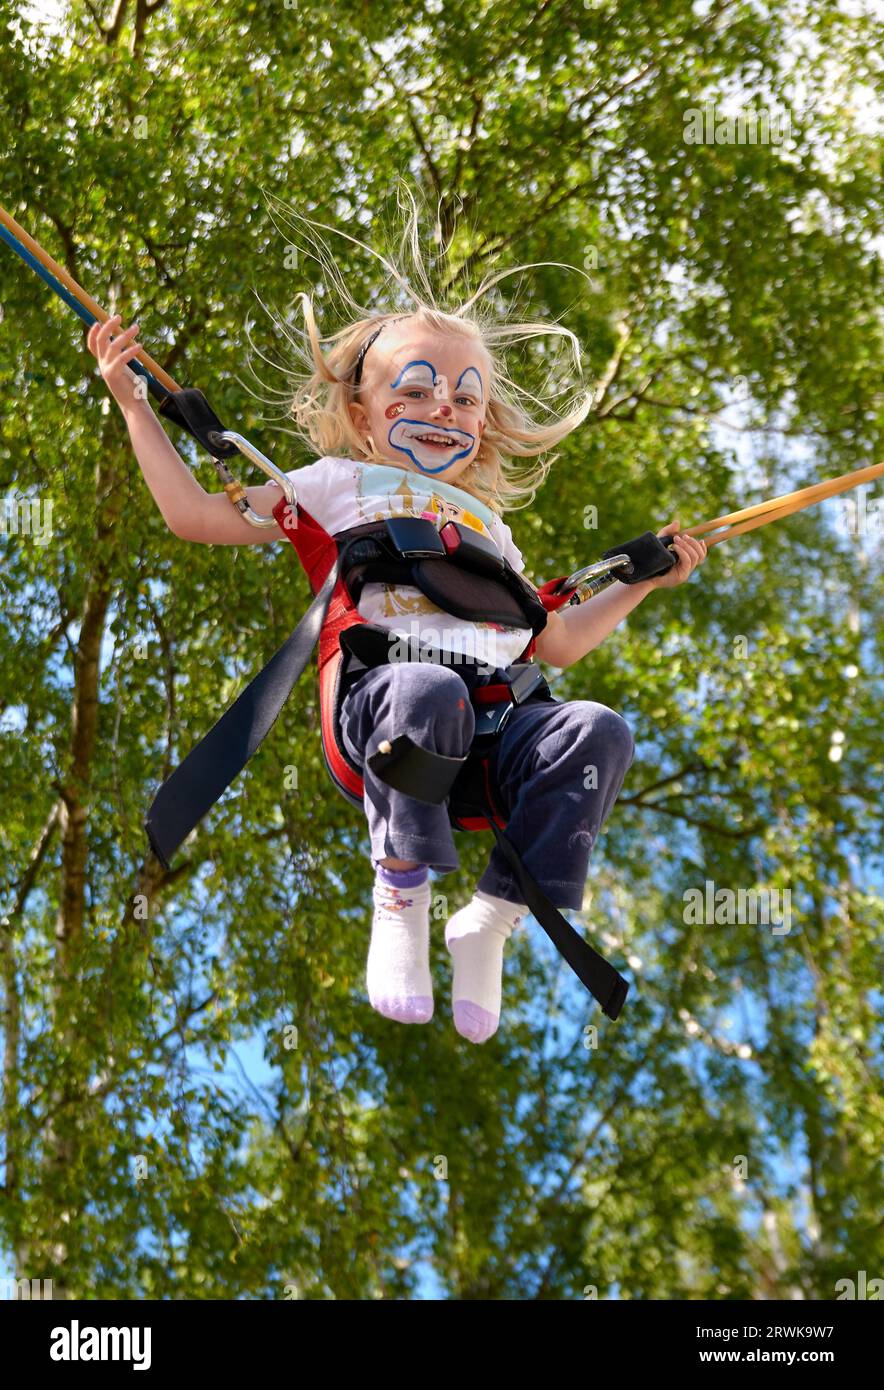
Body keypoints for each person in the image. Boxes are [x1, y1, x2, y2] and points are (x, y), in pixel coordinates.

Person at [86, 203, 706, 1045]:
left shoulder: (495, 532)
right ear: (364, 408)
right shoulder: (336, 483)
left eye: (463, 397)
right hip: (389, 708)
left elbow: (552, 641)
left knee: (596, 731)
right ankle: (401, 891)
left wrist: (640, 582)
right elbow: (197, 514)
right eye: (415, 390)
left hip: (494, 732)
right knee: (426, 689)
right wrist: (135, 408)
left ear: (482, 423)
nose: (444, 409)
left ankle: (489, 921)